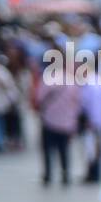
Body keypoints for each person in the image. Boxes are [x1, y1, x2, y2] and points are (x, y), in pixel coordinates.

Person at [31, 57, 80, 187]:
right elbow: (76, 101)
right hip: (66, 121)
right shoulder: (71, 80)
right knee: (64, 149)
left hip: (49, 120)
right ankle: (65, 174)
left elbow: (39, 97)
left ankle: (48, 175)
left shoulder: (48, 79)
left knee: (47, 149)